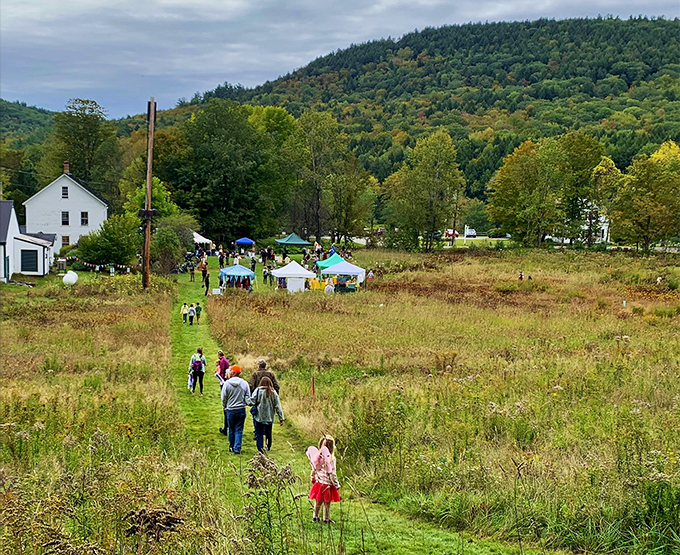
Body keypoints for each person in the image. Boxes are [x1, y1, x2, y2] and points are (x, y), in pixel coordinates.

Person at [308, 435, 340, 523]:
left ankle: (315, 517)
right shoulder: (331, 459)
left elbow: (314, 468)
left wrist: (312, 477)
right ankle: (326, 519)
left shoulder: (317, 458)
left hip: (319, 483)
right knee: (327, 503)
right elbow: (332, 474)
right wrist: (336, 484)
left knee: (318, 501)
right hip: (327, 485)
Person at [247, 377, 284, 453]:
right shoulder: (273, 392)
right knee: (268, 432)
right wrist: (281, 418)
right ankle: (268, 446)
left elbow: (252, 402)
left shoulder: (257, 391)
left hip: (259, 416)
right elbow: (278, 406)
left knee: (259, 432)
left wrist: (245, 399)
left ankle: (260, 448)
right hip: (269, 416)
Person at [220, 365, 250, 454]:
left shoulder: (227, 384)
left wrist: (225, 405)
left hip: (230, 409)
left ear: (232, 373)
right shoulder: (244, 383)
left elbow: (223, 397)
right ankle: (237, 448)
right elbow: (248, 396)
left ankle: (231, 446)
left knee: (231, 429)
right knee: (239, 429)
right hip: (241, 409)